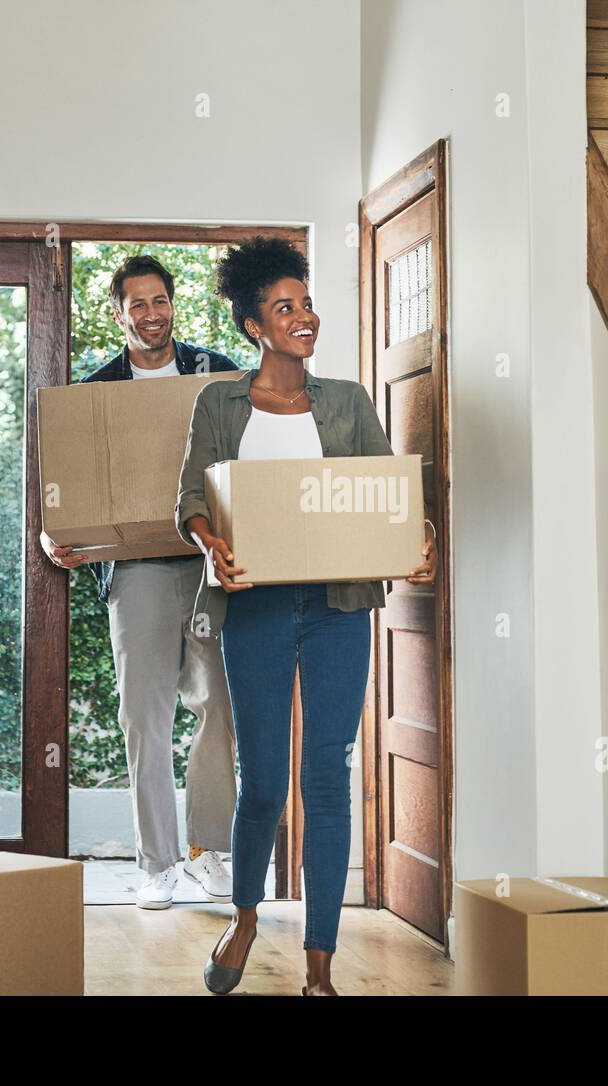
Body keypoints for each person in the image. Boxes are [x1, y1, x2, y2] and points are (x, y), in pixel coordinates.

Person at [174, 236, 437, 996]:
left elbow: (389, 494)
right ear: (255, 325)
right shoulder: (219, 404)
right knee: (261, 779)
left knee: (328, 775)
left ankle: (320, 967)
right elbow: (191, 498)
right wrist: (206, 543)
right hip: (253, 604)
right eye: (284, 308)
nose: (304, 317)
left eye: (307, 304)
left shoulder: (347, 403)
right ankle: (246, 916)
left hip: (337, 607)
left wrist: (416, 536)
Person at [40, 254, 240, 909]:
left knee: (218, 707)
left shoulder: (219, 375)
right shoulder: (95, 392)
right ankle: (157, 862)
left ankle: (208, 849)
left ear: (172, 304)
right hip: (138, 571)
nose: (152, 314)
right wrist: (55, 532)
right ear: (118, 313)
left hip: (211, 562)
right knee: (144, 718)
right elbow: (61, 487)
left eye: (161, 302)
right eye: (138, 305)